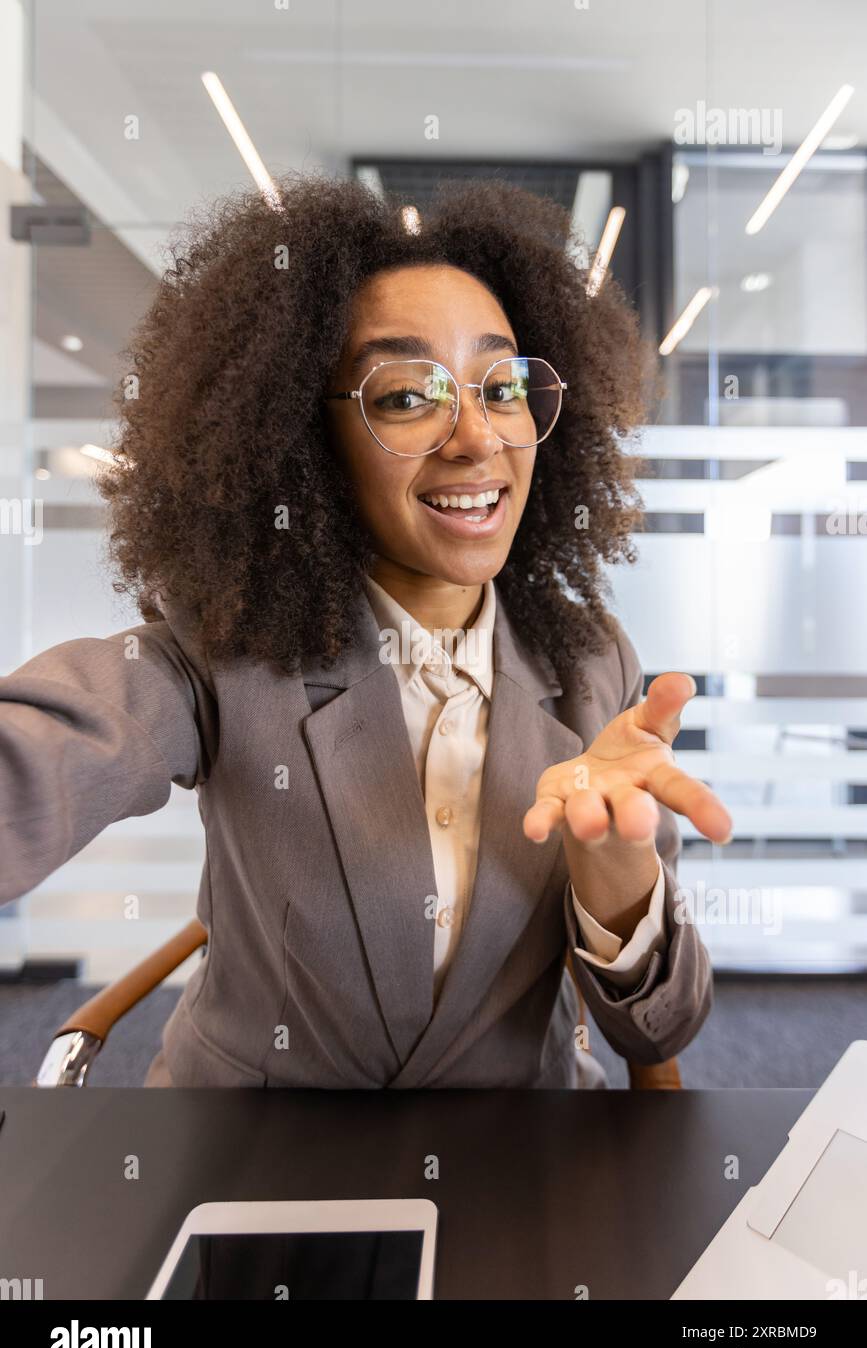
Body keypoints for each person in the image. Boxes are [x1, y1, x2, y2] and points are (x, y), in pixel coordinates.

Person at [0, 174, 731, 1089]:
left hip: (516, 1168)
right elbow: (44, 752)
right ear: (306, 441)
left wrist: (620, 883)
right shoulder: (221, 650)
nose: (476, 438)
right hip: (250, 1158)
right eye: (405, 397)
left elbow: (664, 1024)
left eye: (500, 385)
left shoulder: (590, 664)